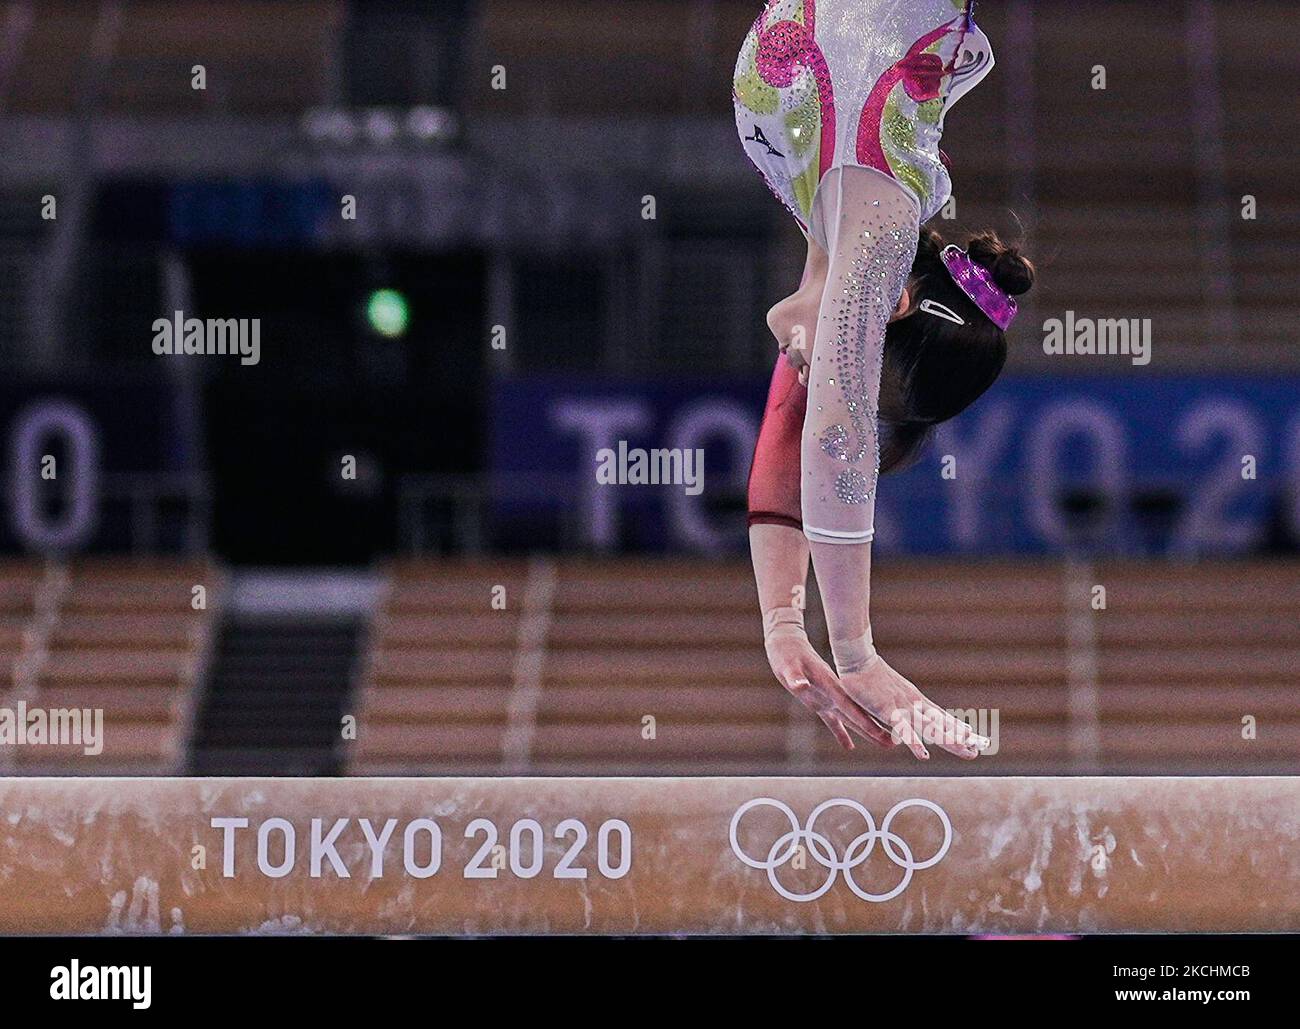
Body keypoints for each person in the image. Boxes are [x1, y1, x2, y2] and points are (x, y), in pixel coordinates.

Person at [734, 0, 1035, 759]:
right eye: (855, 372)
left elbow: (792, 436)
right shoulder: (881, 218)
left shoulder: (835, 220)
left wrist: (782, 620)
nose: (812, 374)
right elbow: (836, 434)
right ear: (893, 306)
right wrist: (857, 651)